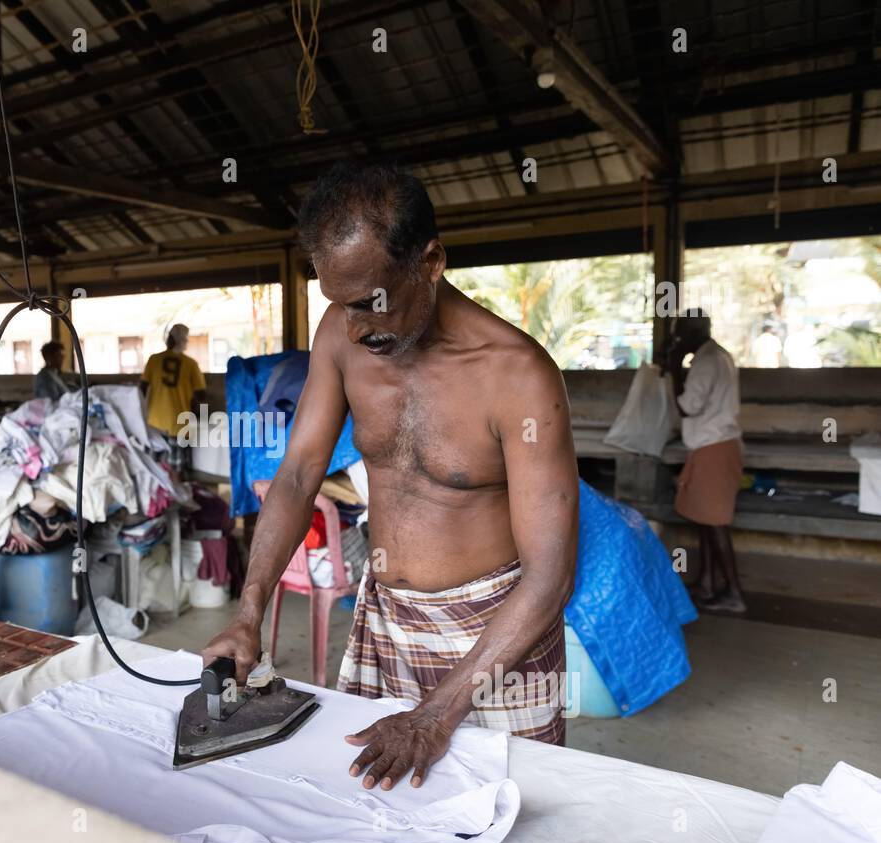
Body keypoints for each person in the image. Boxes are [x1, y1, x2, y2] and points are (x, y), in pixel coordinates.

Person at [201, 161, 578, 791]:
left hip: (499, 642)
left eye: (371, 302)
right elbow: (296, 478)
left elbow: (549, 577)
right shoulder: (342, 334)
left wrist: (434, 717)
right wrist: (248, 611)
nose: (355, 327)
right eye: (339, 305)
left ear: (430, 261)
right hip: (386, 623)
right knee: (382, 822)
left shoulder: (519, 377)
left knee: (506, 824)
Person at [667, 309, 746, 613]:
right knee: (704, 519)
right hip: (715, 445)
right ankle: (707, 583)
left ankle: (734, 594)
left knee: (714, 524)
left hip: (713, 447)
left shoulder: (706, 362)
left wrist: (675, 368)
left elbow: (688, 406)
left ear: (694, 332)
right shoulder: (718, 356)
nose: (677, 338)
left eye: (680, 332)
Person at [140, 323, 207, 437]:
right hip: (181, 424)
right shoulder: (190, 364)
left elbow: (142, 388)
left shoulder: (154, 360)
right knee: (180, 455)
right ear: (183, 340)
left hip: (155, 423)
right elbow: (201, 395)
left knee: (155, 455)